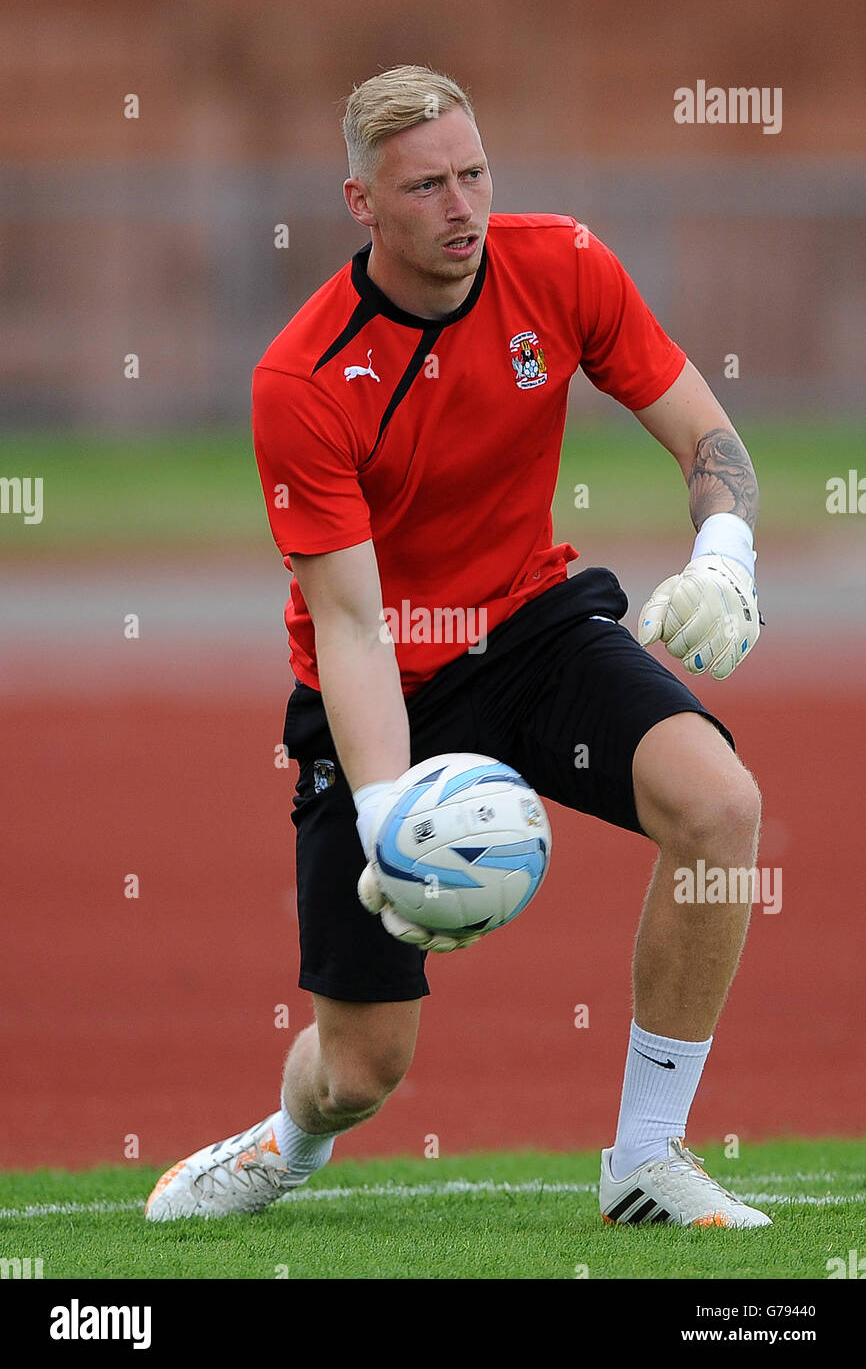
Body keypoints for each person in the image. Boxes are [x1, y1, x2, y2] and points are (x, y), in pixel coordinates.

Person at [146, 65, 769, 1229]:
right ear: (360, 202)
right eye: (426, 186)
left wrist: (724, 548)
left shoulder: (562, 265)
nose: (461, 208)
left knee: (721, 807)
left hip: (532, 626)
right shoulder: (303, 377)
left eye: (474, 173)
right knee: (362, 1072)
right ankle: (285, 1142)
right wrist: (386, 810)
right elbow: (348, 619)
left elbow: (703, 431)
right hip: (383, 675)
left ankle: (644, 1155)